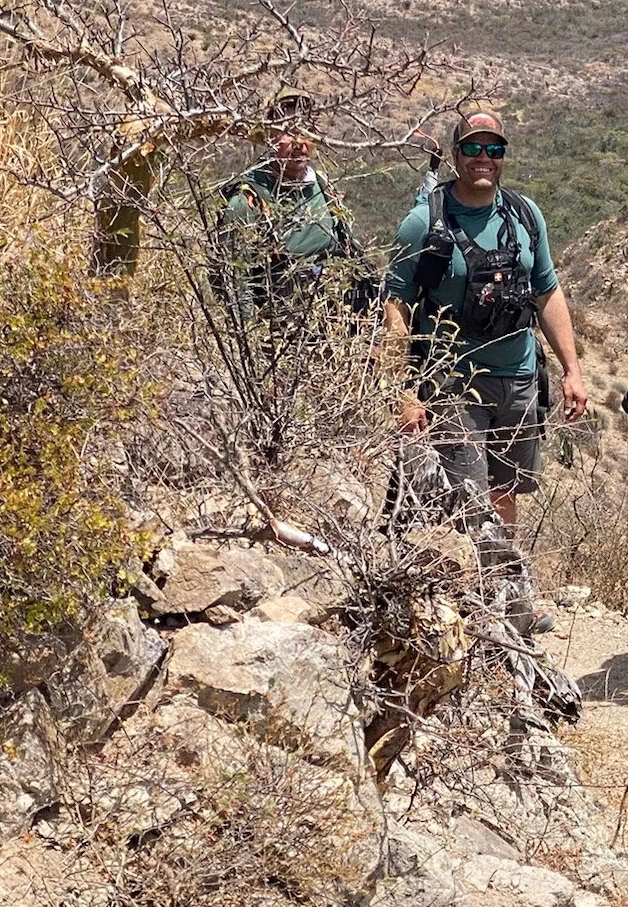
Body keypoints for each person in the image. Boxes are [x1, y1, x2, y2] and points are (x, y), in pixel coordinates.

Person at [383, 108, 589, 579]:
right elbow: (396, 308)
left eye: (493, 149)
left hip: (519, 378)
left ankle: (497, 590)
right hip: (455, 381)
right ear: (456, 155)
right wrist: (403, 390)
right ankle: (477, 599)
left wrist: (571, 370)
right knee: (466, 495)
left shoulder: (524, 215)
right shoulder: (423, 223)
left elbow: (548, 291)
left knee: (504, 492)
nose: (483, 158)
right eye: (472, 148)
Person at [213, 88, 370, 320]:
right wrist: (251, 341)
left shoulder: (324, 187)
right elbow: (234, 282)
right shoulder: (248, 201)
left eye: (305, 130)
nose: (299, 142)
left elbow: (351, 253)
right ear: (269, 135)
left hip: (334, 328)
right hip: (278, 338)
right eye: (288, 131)